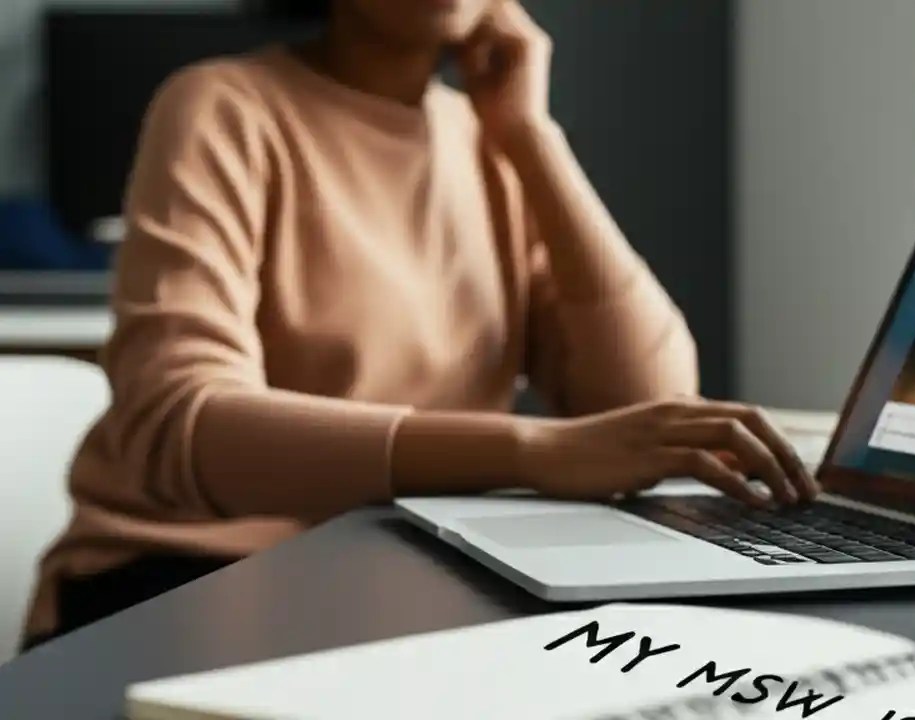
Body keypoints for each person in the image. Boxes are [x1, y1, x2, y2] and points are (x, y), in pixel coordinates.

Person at [20, 0, 816, 651]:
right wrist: (531, 452)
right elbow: (181, 427)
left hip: (406, 563)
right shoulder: (221, 107)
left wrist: (533, 142)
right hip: (186, 575)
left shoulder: (490, 141)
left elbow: (653, 398)